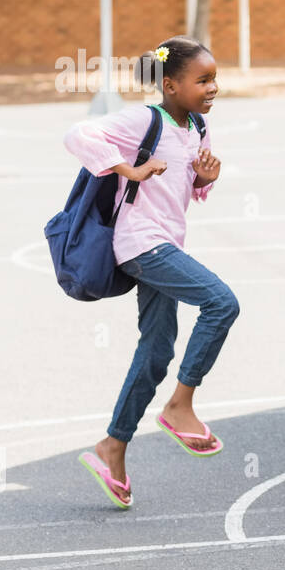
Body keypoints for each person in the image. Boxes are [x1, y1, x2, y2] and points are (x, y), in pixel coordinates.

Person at [65, 35, 238, 509]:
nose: (212, 87)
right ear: (169, 85)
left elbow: (190, 185)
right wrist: (129, 169)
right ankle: (180, 406)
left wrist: (205, 177)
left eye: (214, 78)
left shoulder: (197, 127)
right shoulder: (145, 119)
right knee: (221, 302)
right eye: (202, 80)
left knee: (157, 350)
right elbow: (79, 136)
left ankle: (112, 448)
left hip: (165, 242)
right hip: (141, 245)